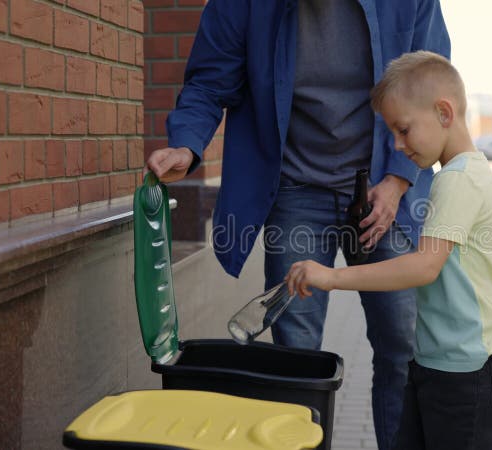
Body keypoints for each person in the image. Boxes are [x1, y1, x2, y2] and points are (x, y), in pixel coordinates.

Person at [144, 2, 450, 449]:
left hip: (385, 189)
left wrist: (399, 180)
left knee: (402, 349)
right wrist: (186, 147)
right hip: (295, 191)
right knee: (296, 354)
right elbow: (210, 82)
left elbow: (432, 82)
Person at [285, 51, 492, 450]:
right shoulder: (462, 175)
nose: (396, 144)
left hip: (467, 374)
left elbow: (424, 267)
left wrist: (332, 277)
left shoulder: (459, 180)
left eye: (403, 130)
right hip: (438, 363)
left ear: (444, 112)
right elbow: (479, 266)